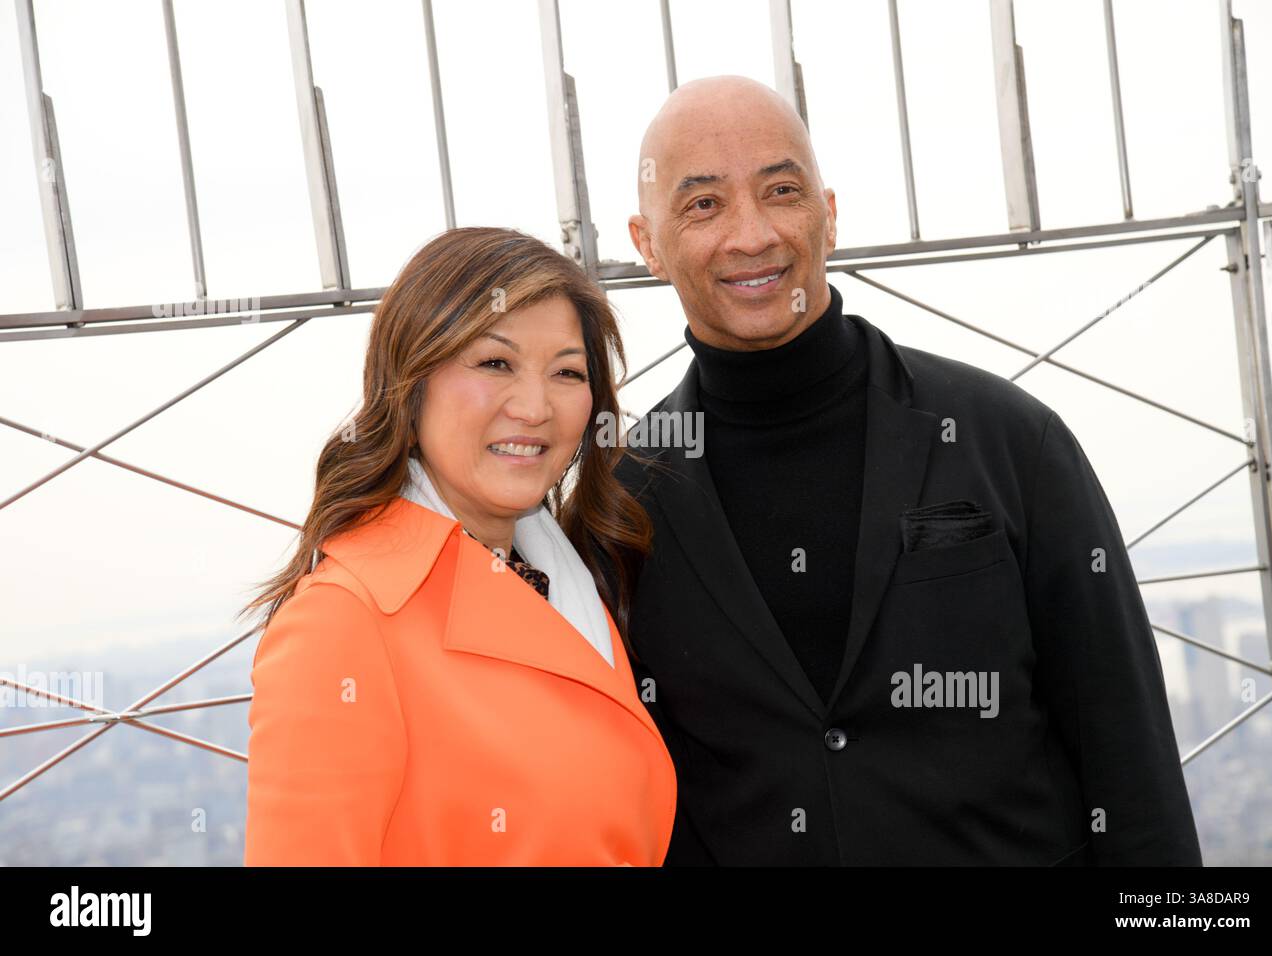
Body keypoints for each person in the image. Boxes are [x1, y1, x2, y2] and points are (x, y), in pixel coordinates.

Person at [614, 75, 1202, 865]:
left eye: (780, 190)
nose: (751, 235)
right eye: (704, 204)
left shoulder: (1009, 440)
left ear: (828, 214)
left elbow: (1127, 750)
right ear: (647, 243)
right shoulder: (622, 503)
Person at [241, 226, 675, 866]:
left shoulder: (570, 579)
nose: (534, 407)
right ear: (411, 381)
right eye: (494, 363)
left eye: (567, 372)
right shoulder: (343, 619)